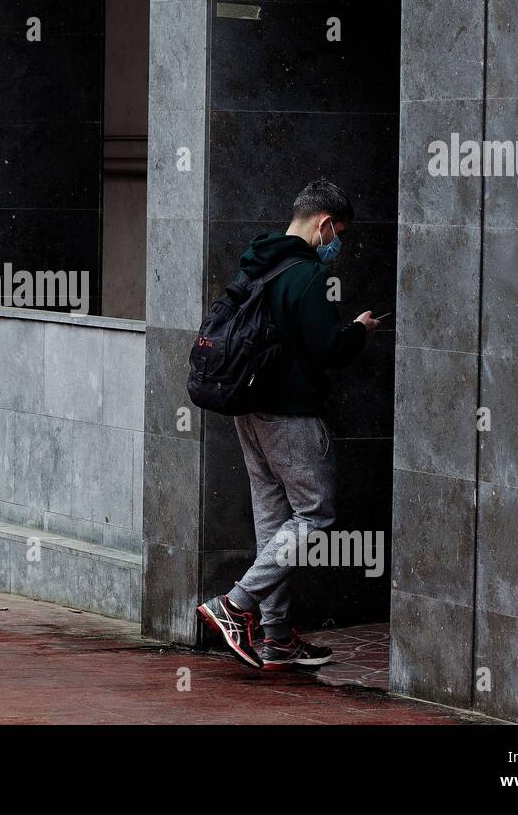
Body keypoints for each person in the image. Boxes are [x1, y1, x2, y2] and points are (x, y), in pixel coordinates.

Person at [197, 180, 378, 670]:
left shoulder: (257, 262)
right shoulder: (307, 273)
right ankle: (234, 605)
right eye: (339, 234)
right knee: (315, 515)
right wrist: (359, 331)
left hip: (249, 409)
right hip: (290, 415)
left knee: (274, 522)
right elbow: (329, 349)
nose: (337, 244)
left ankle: (276, 637)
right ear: (325, 224)